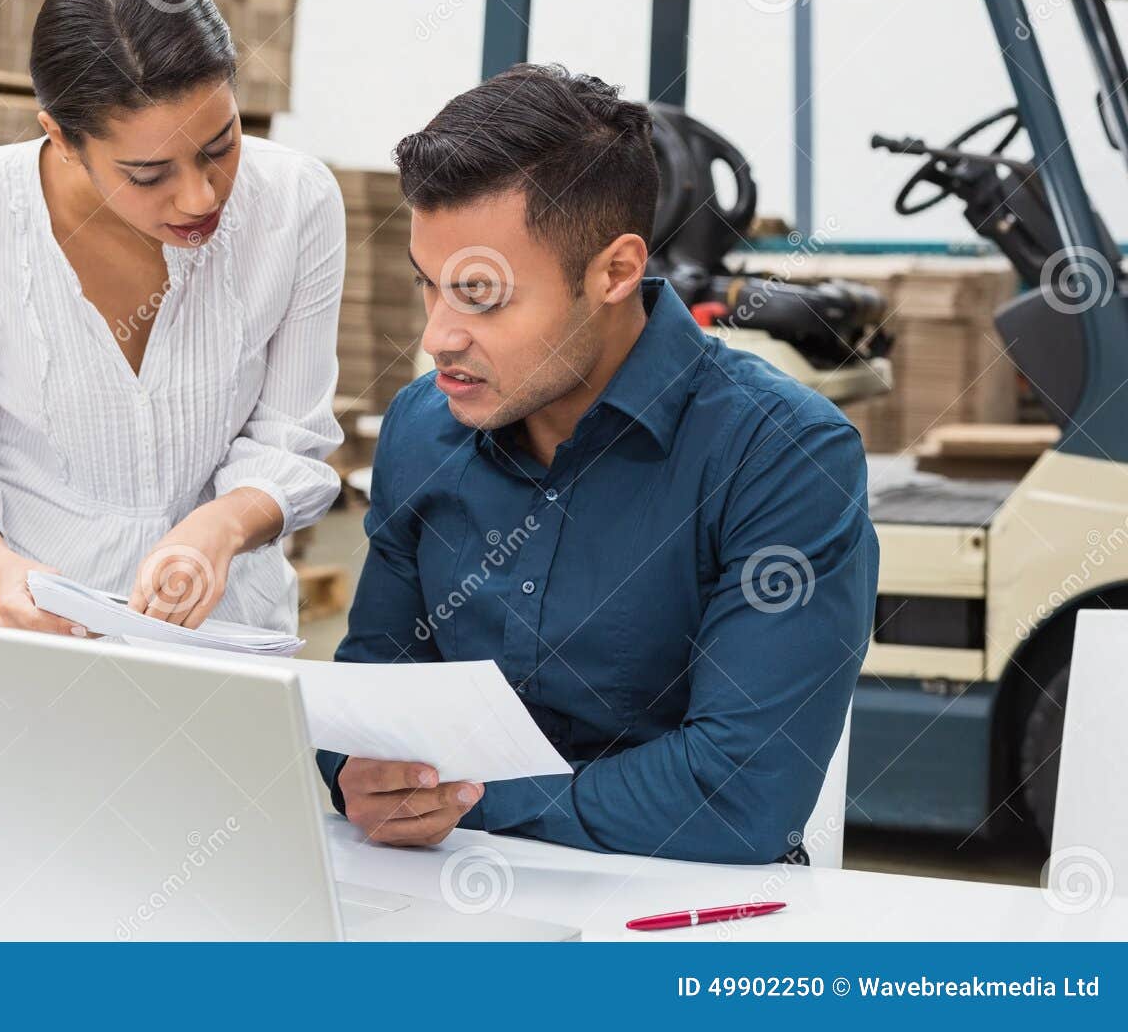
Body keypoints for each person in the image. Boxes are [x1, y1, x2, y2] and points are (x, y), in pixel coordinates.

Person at [316, 64, 878, 865]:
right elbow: (373, 689)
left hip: (683, 917)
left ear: (614, 272)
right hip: (441, 893)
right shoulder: (421, 426)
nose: (438, 335)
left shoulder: (781, 454)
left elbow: (739, 795)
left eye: (480, 295)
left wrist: (464, 799)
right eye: (428, 287)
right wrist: (353, 773)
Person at [0, 0, 344, 634]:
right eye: (149, 173)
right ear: (63, 139)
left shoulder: (296, 204)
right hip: (22, 640)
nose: (199, 195)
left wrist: (217, 529)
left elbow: (292, 438)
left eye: (220, 145)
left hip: (222, 634)